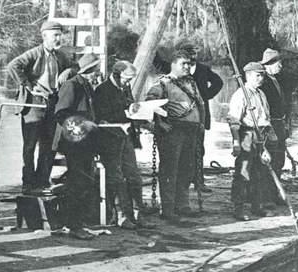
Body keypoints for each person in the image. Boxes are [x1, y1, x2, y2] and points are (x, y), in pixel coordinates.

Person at [7, 20, 75, 195]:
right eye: (55, 35)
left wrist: (69, 71)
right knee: (29, 146)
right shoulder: (34, 54)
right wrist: (27, 85)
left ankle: (42, 181)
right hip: (33, 104)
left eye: (60, 35)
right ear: (44, 36)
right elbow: (13, 66)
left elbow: (75, 66)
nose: (58, 38)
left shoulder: (61, 56)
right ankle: (28, 183)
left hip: (52, 104)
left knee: (49, 145)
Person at [145, 49, 204, 224]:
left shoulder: (191, 83)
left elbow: (200, 104)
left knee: (186, 169)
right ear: (173, 65)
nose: (187, 67)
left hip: (191, 131)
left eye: (189, 64)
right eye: (183, 64)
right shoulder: (162, 84)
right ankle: (168, 209)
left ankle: (182, 205)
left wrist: (200, 124)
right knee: (170, 170)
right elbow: (150, 104)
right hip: (173, 131)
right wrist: (161, 123)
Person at [54, 53, 101, 240]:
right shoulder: (71, 85)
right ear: (87, 71)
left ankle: (78, 223)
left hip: (86, 144)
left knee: (84, 183)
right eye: (94, 71)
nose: (96, 74)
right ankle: (74, 226)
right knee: (77, 183)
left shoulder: (87, 86)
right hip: (74, 144)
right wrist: (83, 124)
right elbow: (60, 114)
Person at [93, 61, 143, 230]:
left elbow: (128, 105)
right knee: (116, 177)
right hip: (110, 138)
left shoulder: (125, 87)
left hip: (126, 135)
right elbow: (102, 115)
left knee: (134, 176)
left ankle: (137, 214)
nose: (129, 83)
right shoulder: (102, 90)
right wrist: (125, 113)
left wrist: (137, 110)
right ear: (116, 74)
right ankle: (121, 216)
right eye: (127, 79)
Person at [227, 62, 275, 221]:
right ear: (248, 76)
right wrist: (236, 141)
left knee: (260, 172)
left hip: (262, 136)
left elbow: (266, 116)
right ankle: (238, 207)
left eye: (262, 75)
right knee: (244, 172)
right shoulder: (241, 94)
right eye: (257, 75)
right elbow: (234, 121)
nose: (261, 78)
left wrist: (271, 135)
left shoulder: (261, 94)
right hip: (247, 135)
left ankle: (257, 205)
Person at [178, 41, 223, 194]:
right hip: (181, 116)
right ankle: (182, 182)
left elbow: (218, 82)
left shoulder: (203, 69)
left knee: (199, 149)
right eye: (188, 53)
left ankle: (199, 182)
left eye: (193, 53)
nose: (191, 56)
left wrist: (205, 97)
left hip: (200, 115)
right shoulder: (176, 70)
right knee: (182, 149)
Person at [259, 48, 289, 206]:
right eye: (278, 63)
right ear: (269, 64)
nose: (281, 66)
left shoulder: (278, 80)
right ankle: (265, 197)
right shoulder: (263, 82)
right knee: (268, 160)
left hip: (279, 124)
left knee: (279, 160)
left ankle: (275, 193)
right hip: (269, 125)